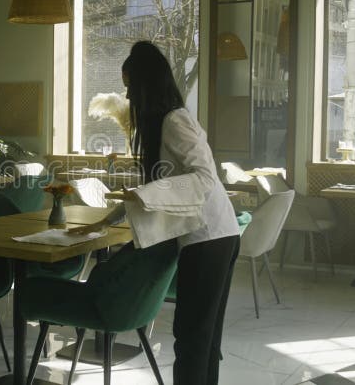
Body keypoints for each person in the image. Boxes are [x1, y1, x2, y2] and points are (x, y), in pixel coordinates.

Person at [69, 41, 240, 385]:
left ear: (147, 84)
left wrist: (145, 193)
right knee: (202, 337)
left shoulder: (174, 121)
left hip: (209, 238)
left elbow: (206, 176)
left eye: (131, 86)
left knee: (194, 337)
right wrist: (106, 220)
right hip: (214, 236)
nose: (128, 97)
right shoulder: (166, 122)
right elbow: (153, 188)